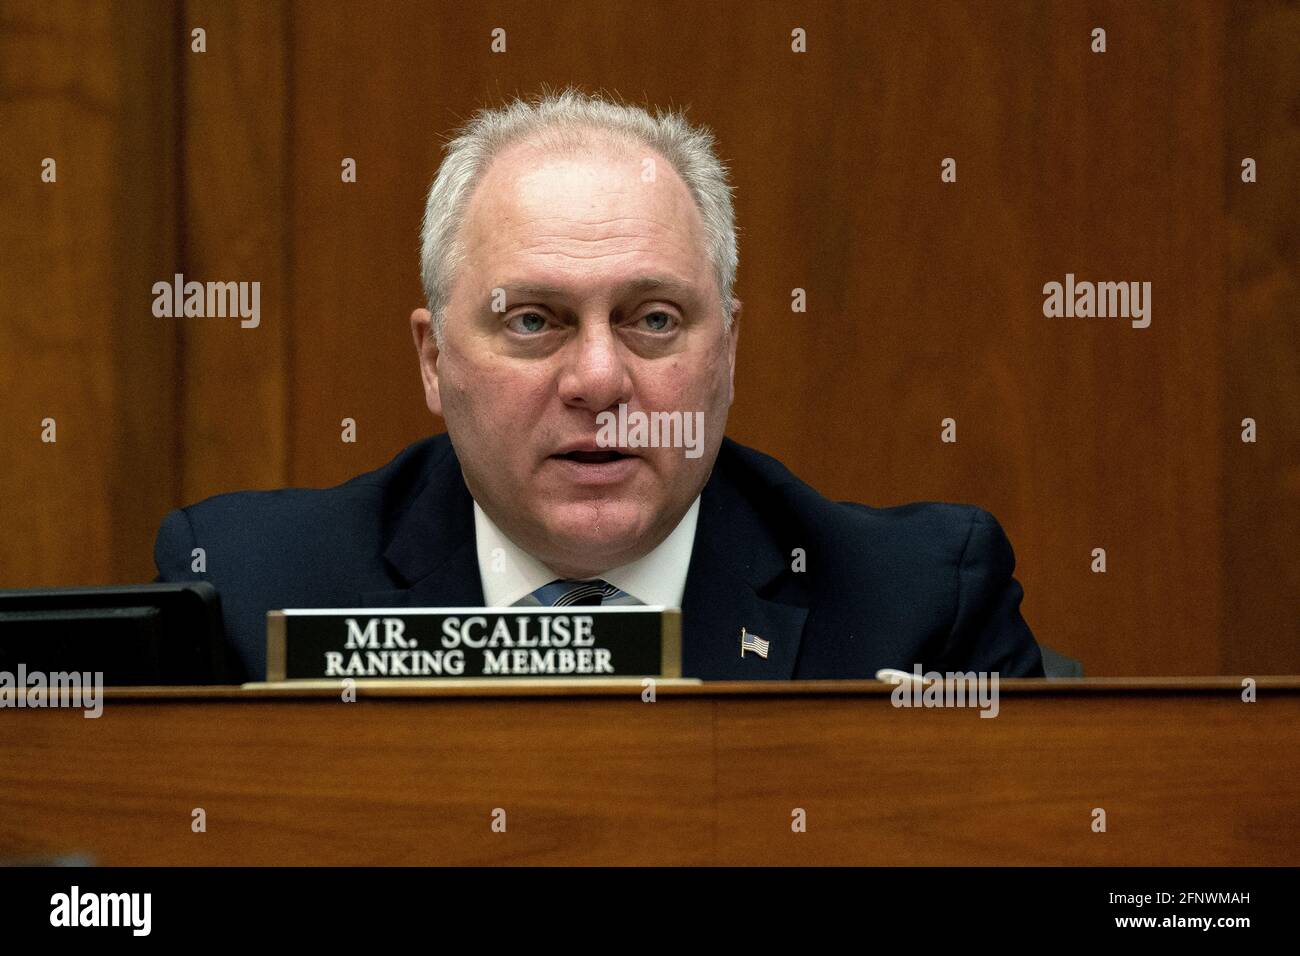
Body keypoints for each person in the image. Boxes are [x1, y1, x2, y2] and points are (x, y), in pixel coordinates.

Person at [154, 89, 1044, 682]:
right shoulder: (251, 593)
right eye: (533, 321)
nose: (597, 378)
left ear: (727, 353)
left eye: (653, 319)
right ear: (433, 361)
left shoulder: (919, 609)